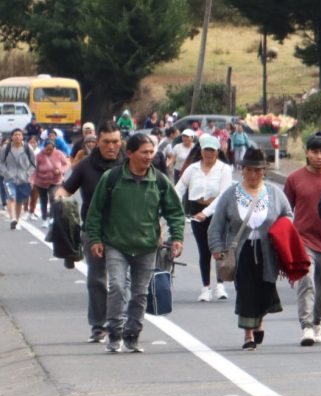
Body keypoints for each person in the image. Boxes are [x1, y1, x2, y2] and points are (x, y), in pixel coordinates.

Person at [82, 132, 184, 355]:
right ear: (129, 153)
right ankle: (114, 333)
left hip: (147, 246)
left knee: (139, 293)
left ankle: (132, 334)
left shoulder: (159, 180)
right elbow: (95, 211)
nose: (149, 156)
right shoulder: (112, 177)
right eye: (144, 152)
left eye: (151, 152)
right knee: (117, 286)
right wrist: (96, 239)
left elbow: (175, 212)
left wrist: (177, 237)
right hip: (116, 244)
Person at [213, 149, 294, 351]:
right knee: (246, 291)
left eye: (258, 170)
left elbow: (288, 215)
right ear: (242, 170)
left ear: (264, 171)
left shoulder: (274, 193)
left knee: (265, 289)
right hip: (242, 252)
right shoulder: (231, 195)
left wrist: (281, 231)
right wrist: (217, 247)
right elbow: (217, 225)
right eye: (249, 170)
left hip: (268, 250)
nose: (253, 174)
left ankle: (258, 320)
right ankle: (248, 334)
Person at [58, 130, 126, 341]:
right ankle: (98, 325)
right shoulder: (85, 166)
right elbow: (65, 189)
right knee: (96, 279)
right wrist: (60, 204)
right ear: (97, 143)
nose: (111, 146)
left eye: (115, 141)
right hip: (93, 229)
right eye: (106, 142)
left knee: (119, 280)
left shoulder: (128, 164)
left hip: (124, 230)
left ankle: (120, 321)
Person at [284, 133, 321, 346]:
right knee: (306, 281)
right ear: (307, 153)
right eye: (315, 152)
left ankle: (318, 321)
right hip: (304, 239)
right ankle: (307, 326)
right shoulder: (294, 179)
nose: (319, 156)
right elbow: (285, 210)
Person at [178, 136, 234, 301]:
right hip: (196, 212)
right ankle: (206, 288)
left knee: (218, 248)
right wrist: (171, 207)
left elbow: (224, 194)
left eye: (212, 150)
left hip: (217, 212)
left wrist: (207, 213)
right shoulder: (192, 169)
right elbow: (179, 188)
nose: (209, 153)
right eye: (206, 150)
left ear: (217, 152)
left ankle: (220, 285)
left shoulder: (224, 169)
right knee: (203, 250)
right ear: (201, 150)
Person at [0, 127, 34, 228]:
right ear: (12, 137)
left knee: (19, 201)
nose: (17, 137)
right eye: (15, 135)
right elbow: (1, 162)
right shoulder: (5, 149)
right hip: (9, 179)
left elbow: (33, 163)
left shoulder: (28, 148)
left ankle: (16, 220)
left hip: (23, 179)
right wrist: (6, 173)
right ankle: (12, 218)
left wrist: (28, 174)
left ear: (22, 137)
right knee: (11, 197)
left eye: (19, 135)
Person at [32, 132, 68, 220]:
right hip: (41, 182)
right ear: (44, 148)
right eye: (47, 149)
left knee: (53, 197)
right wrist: (33, 180)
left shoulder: (59, 154)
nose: (49, 151)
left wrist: (60, 171)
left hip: (55, 181)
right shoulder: (39, 156)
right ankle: (44, 218)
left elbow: (66, 164)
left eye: (51, 149)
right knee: (43, 200)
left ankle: (52, 217)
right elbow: (34, 168)